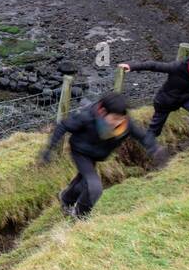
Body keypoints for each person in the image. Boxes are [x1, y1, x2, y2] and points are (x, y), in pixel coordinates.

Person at [38, 91, 163, 219]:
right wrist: (49, 150)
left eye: (121, 118)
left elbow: (142, 136)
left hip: (96, 154)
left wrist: (155, 149)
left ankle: (66, 199)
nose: (118, 123)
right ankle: (80, 217)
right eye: (114, 119)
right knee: (94, 186)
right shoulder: (86, 118)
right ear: (103, 111)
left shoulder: (124, 123)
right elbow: (63, 126)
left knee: (84, 182)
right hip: (81, 152)